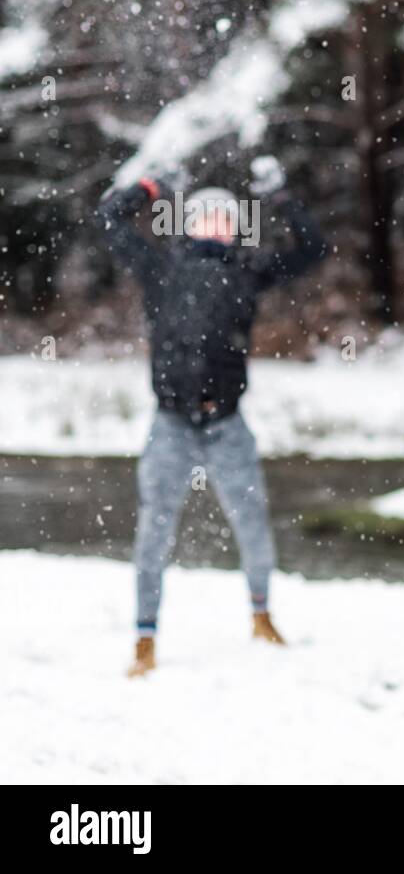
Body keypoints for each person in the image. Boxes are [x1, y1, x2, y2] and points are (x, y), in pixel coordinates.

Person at [94, 160, 328, 678]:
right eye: (203, 215)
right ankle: (145, 637)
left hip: (227, 424)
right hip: (171, 425)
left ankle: (262, 614)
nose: (215, 222)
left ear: (235, 227)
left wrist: (283, 197)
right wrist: (150, 187)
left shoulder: (248, 271)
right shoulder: (162, 269)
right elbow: (108, 219)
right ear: (186, 224)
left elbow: (314, 251)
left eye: (225, 216)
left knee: (252, 523)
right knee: (154, 529)